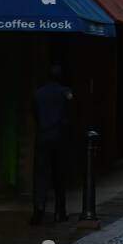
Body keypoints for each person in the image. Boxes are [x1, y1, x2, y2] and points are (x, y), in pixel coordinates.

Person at [30, 65, 73, 225]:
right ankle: (59, 212)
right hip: (59, 137)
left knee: (40, 174)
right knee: (59, 174)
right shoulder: (65, 92)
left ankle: (38, 209)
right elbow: (69, 113)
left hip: (42, 135)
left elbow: (34, 113)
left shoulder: (38, 93)